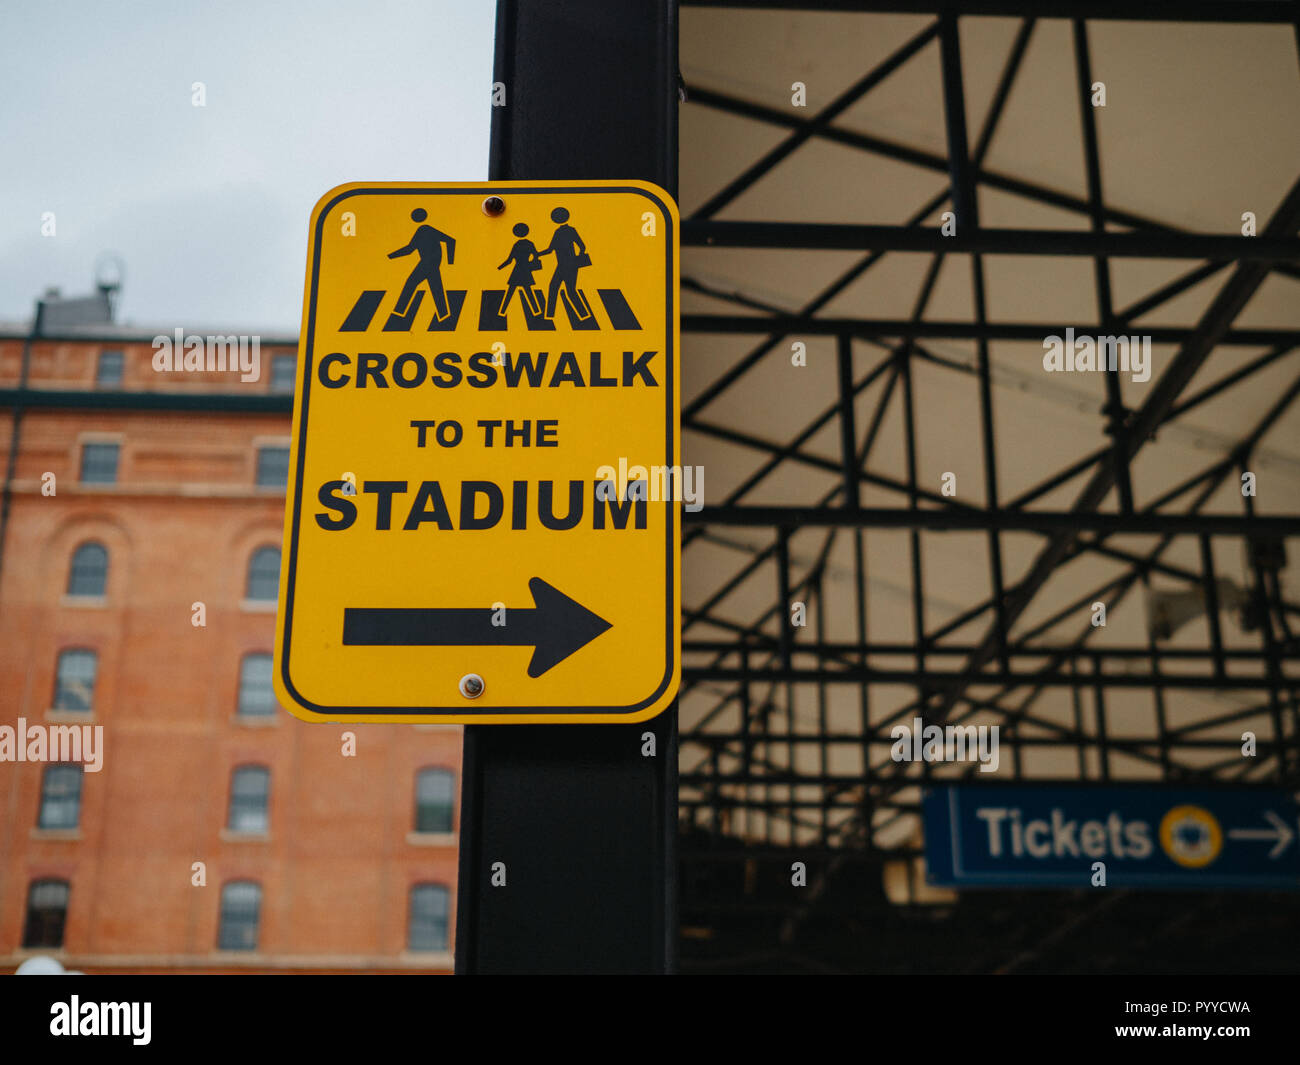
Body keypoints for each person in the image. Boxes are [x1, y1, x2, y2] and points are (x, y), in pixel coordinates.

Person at [388, 208, 456, 321]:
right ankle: (444, 316)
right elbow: (410, 249)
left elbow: (451, 241)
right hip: (431, 263)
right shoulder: (423, 230)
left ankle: (398, 312)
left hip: (427, 263)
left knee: (411, 283)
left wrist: (450, 262)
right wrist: (391, 256)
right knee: (436, 288)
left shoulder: (425, 229)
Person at [538, 207, 592, 321]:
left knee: (567, 291)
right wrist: (538, 254)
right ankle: (550, 316)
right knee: (557, 288)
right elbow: (581, 246)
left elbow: (550, 249)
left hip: (568, 265)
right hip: (564, 265)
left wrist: (537, 254)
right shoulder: (563, 231)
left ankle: (584, 316)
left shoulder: (565, 231)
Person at [496, 222, 543, 318]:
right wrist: (531, 263)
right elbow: (536, 255)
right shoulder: (530, 244)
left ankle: (502, 312)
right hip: (526, 269)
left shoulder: (516, 245)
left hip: (517, 270)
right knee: (528, 291)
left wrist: (499, 268)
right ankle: (536, 311)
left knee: (510, 292)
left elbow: (509, 260)